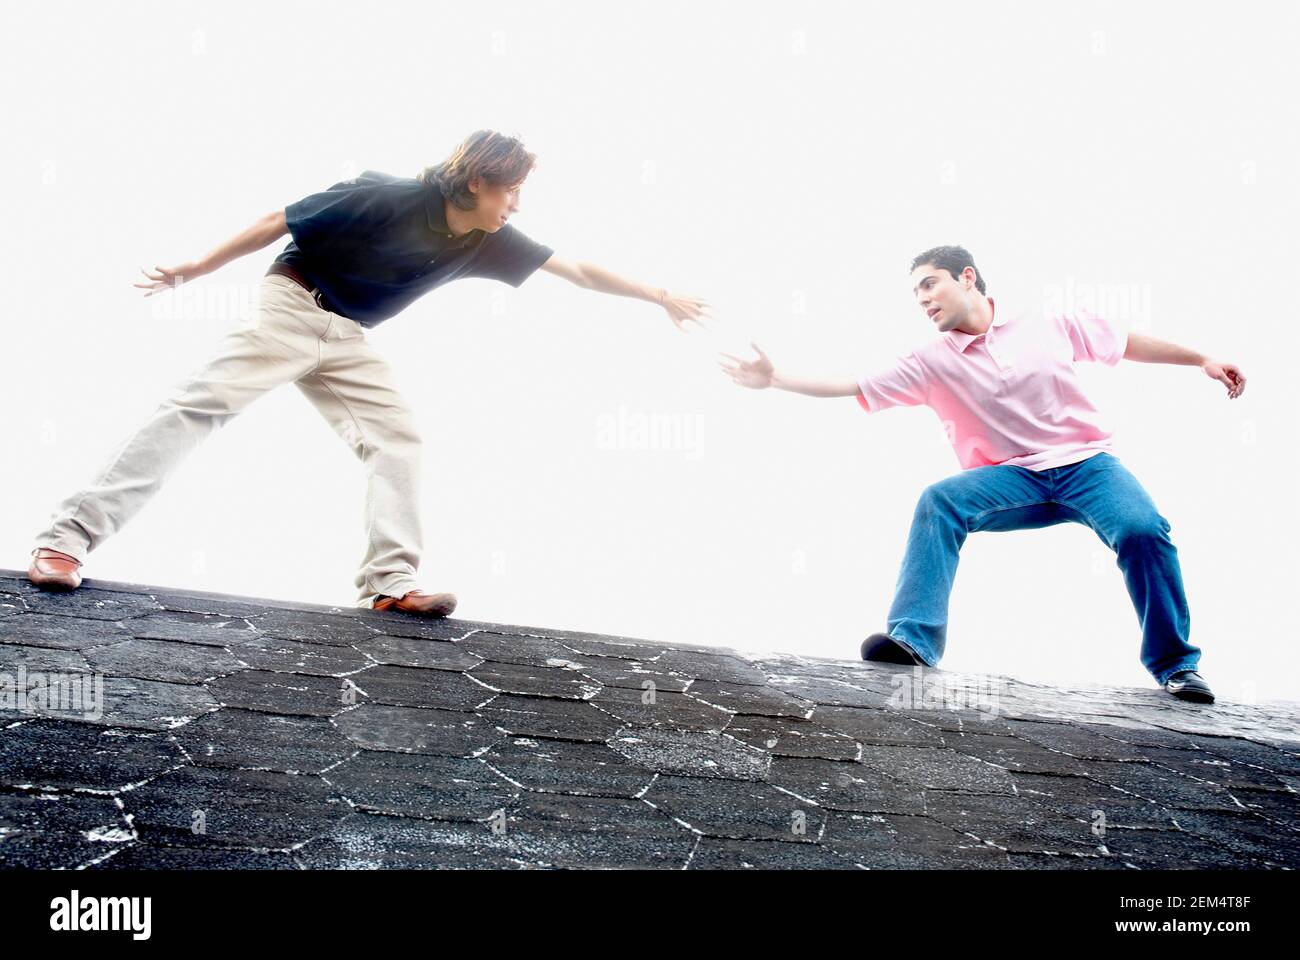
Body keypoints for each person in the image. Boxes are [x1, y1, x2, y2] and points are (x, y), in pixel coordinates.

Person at [28, 130, 708, 617]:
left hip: (349, 336)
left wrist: (658, 295)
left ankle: (388, 583)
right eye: (512, 191)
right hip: (292, 305)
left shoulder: (489, 238)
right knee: (197, 407)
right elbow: (276, 220)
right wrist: (195, 269)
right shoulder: (387, 195)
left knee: (399, 438)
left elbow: (580, 270)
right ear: (477, 181)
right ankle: (65, 542)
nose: (517, 206)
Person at [719, 245, 1245, 704]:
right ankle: (914, 643)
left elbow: (1125, 342)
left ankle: (1176, 666)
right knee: (940, 500)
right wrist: (776, 378)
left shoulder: (1048, 323)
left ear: (967, 276)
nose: (924, 300)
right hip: (1013, 481)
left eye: (930, 284)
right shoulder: (929, 361)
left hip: (1088, 465)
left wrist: (1201, 357)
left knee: (1143, 530)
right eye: (916, 294)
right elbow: (850, 383)